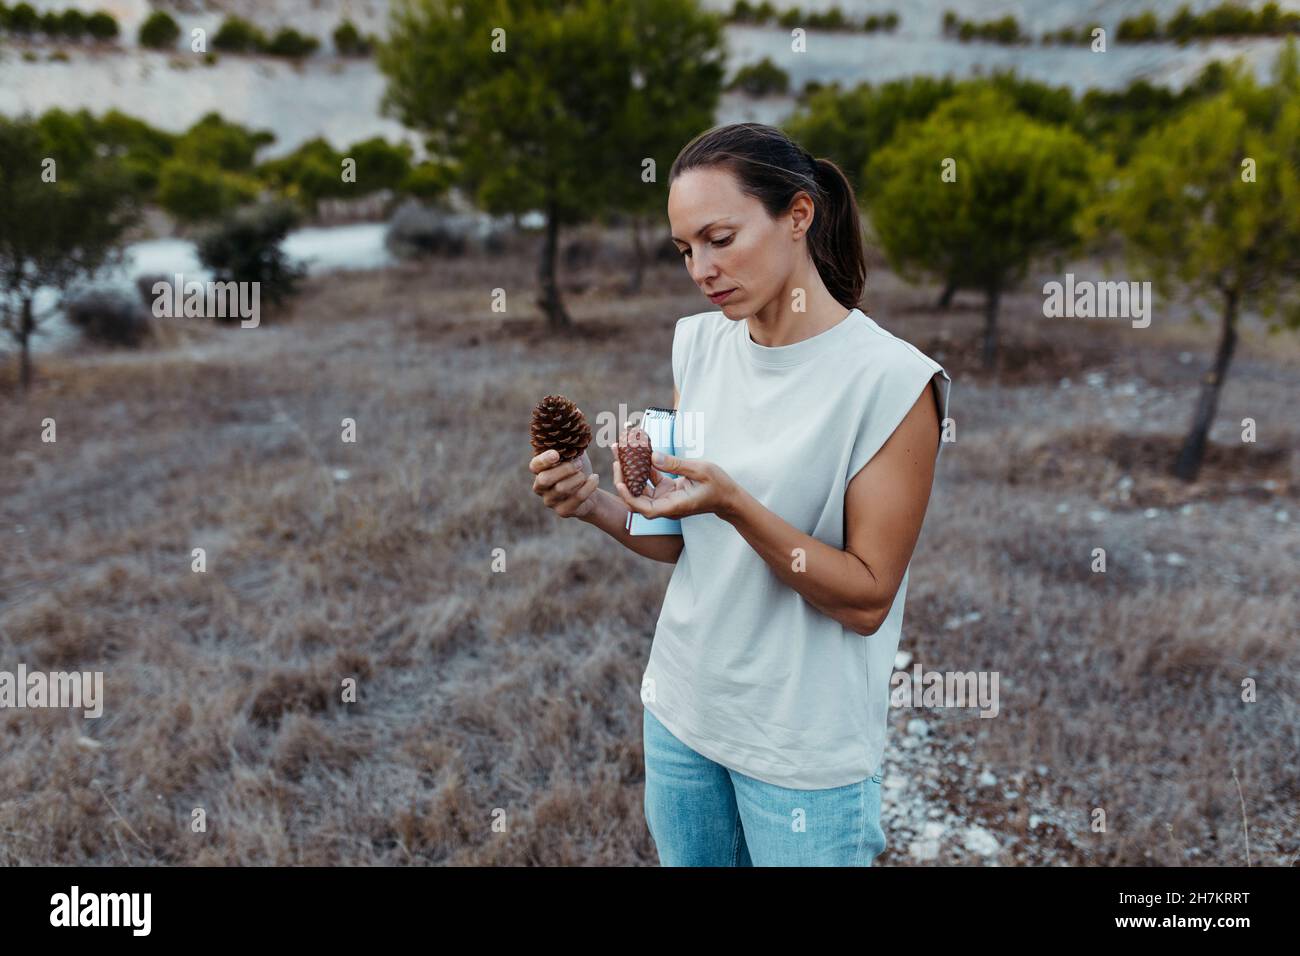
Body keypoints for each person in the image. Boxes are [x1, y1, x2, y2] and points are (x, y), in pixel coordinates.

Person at [529, 123, 952, 866]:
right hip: (683, 717)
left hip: (802, 753)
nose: (702, 269)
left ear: (798, 215)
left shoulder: (891, 383)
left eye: (720, 239)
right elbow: (681, 539)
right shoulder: (697, 344)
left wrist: (735, 503)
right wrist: (592, 503)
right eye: (685, 250)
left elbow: (866, 599)